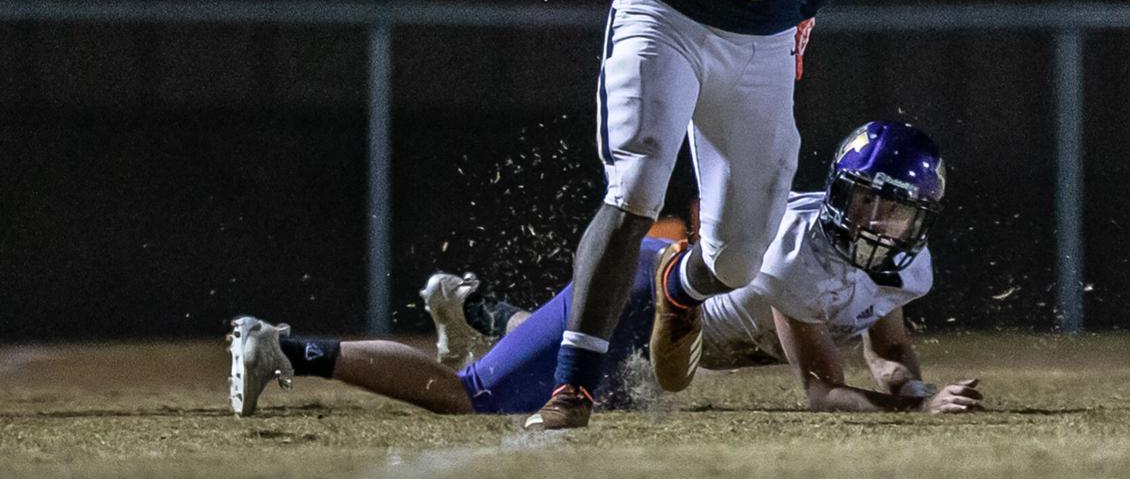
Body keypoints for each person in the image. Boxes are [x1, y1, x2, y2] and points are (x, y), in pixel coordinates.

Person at [527, 0, 927, 427]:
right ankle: (573, 386)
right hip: (668, 14)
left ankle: (679, 289)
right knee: (638, 182)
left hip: (762, 42)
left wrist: (805, 12)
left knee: (740, 261)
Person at [228, 122, 983, 419]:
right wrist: (914, 411)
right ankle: (282, 346)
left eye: (891, 211)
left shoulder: (904, 264)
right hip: (645, 293)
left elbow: (885, 350)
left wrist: (915, 383)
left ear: (918, 218)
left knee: (599, 383)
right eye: (861, 201)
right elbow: (820, 388)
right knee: (474, 396)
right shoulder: (795, 248)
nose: (872, 220)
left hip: (667, 338)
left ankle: (473, 306)